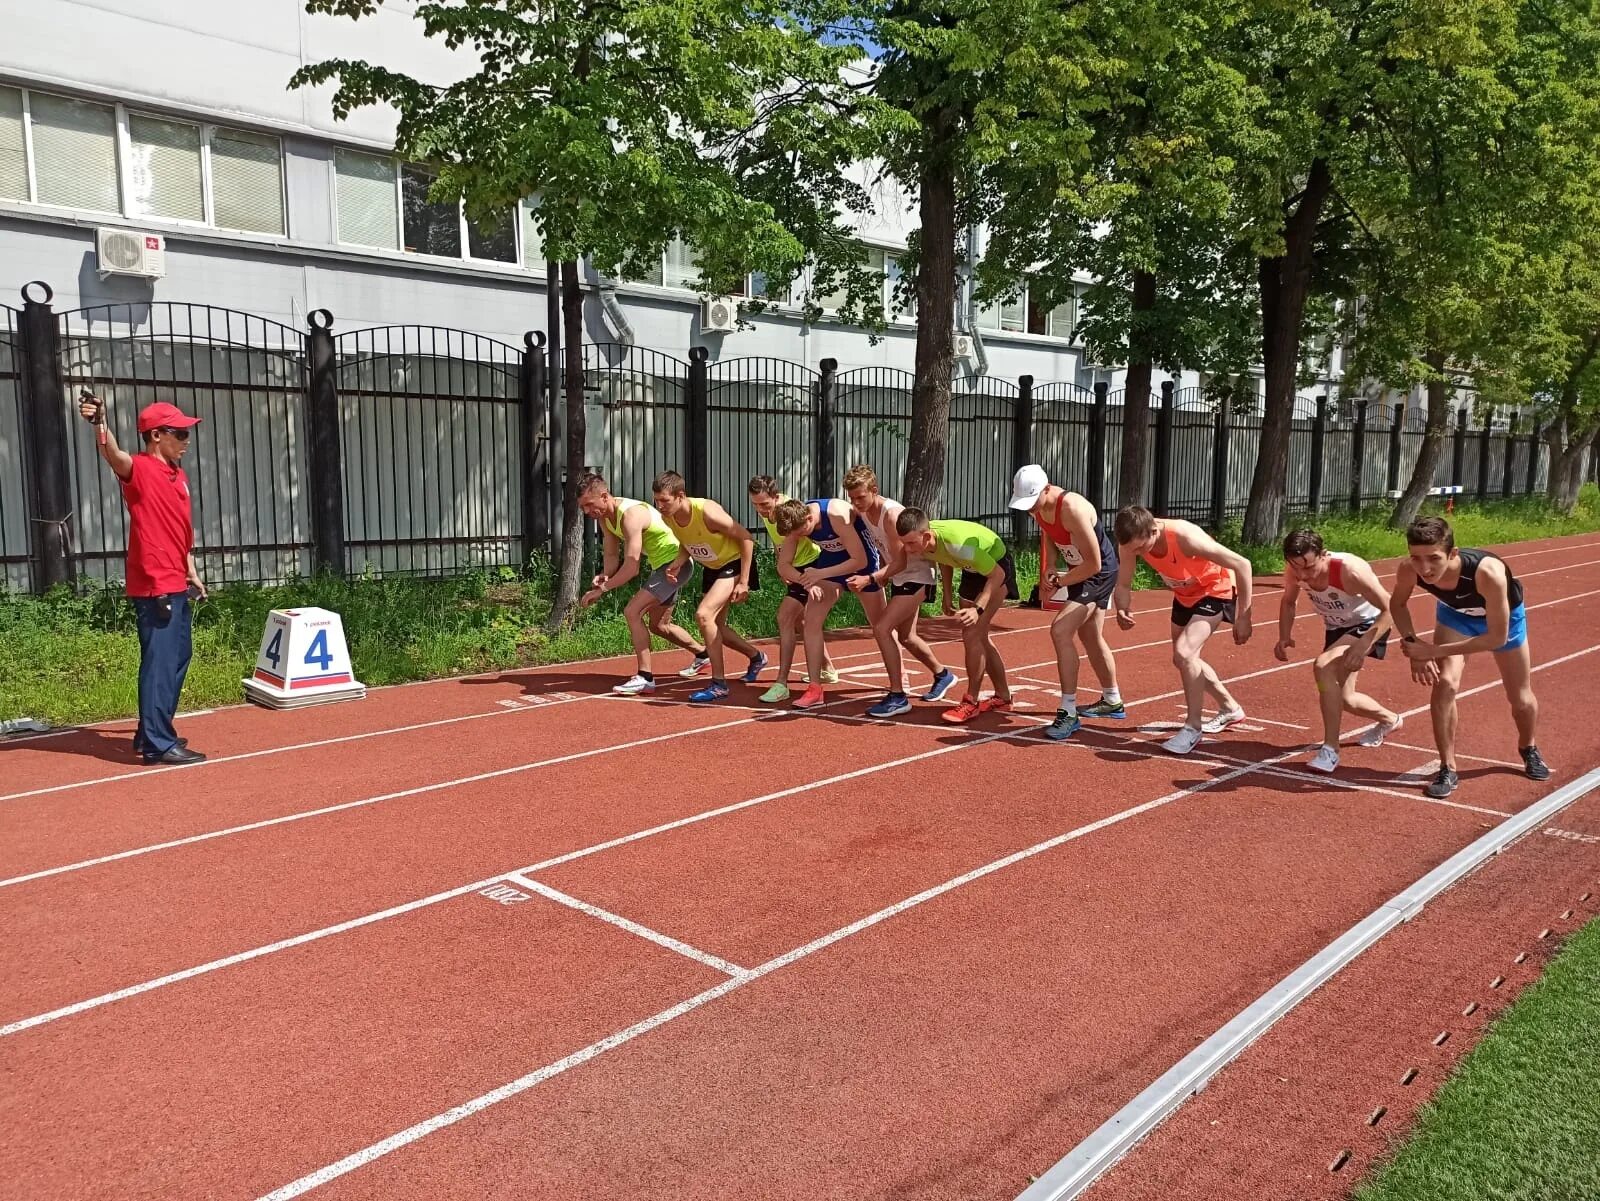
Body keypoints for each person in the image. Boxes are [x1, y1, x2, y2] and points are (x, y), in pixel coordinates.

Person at [77, 392, 207, 765]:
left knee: (179, 656)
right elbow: (113, 455)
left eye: (186, 433)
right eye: (179, 433)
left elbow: (181, 530)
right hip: (154, 583)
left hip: (176, 579)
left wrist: (191, 571)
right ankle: (157, 744)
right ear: (156, 435)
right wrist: (100, 422)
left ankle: (150, 730)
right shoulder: (139, 470)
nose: (185, 440)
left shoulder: (177, 476)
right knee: (160, 661)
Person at [1391, 516, 1549, 799]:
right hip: (1455, 618)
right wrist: (1413, 645)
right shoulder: (1409, 569)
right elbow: (1397, 603)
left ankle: (1528, 747)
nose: (1424, 568)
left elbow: (1495, 639)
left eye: (1433, 558)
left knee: (1521, 700)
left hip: (1503, 623)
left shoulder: (1487, 573)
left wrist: (1433, 651)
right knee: (1445, 684)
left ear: (1453, 553)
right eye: (1416, 558)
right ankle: (1448, 766)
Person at [1113, 506, 1254, 755]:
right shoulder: (1129, 543)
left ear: (1154, 530)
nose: (1137, 553)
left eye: (1140, 548)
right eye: (1132, 549)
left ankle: (1193, 727)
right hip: (1185, 595)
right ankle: (1229, 708)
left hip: (1215, 590)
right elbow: (1123, 583)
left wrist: (1244, 616)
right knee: (1185, 659)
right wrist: (1122, 608)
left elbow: (1242, 564)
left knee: (1185, 653)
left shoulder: (1185, 537)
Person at [1007, 464, 1124, 740]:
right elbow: (1050, 535)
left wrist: (1061, 581)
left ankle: (1068, 711)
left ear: (1047, 489)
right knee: (1091, 636)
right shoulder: (1039, 507)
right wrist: (1050, 565)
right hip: (1079, 572)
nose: (1031, 510)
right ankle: (1112, 700)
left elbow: (1095, 564)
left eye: (1033, 502)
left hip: (1098, 572)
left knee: (1060, 630)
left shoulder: (1072, 508)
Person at [1274, 528, 1402, 773]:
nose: (1303, 575)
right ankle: (1390, 719)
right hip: (1337, 628)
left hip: (1369, 625)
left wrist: (1364, 644)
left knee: (1323, 666)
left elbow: (1391, 608)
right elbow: (1289, 601)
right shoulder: (1295, 569)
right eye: (1296, 567)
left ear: (1323, 555)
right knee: (1345, 699)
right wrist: (1284, 636)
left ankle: (1330, 750)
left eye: (1309, 568)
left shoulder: (1349, 570)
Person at [841, 464, 958, 717]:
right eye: (852, 498)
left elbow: (902, 560)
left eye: (861, 496)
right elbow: (888, 554)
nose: (856, 502)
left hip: (918, 575)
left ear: (875, 490)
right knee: (906, 637)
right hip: (900, 578)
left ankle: (897, 696)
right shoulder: (862, 512)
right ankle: (943, 674)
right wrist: (883, 575)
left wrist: (871, 578)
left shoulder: (892, 515)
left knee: (882, 628)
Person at [576, 471, 707, 696]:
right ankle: (703, 654)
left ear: (605, 496)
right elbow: (610, 555)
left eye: (589, 505)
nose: (588, 512)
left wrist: (602, 591)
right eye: (583, 508)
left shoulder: (631, 515)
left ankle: (645, 678)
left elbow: (631, 567)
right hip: (662, 567)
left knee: (632, 611)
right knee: (659, 626)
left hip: (675, 564)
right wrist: (604, 576)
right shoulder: (605, 518)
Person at [651, 470, 767, 703]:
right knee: (718, 629)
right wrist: (677, 563)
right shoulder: (669, 517)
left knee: (704, 616)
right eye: (656, 500)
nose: (660, 505)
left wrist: (744, 581)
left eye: (664, 500)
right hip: (712, 567)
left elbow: (746, 537)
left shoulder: (707, 512)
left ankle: (719, 684)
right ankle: (757, 657)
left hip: (734, 563)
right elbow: (688, 541)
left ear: (680, 495)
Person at [895, 509, 1018, 724]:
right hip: (971, 570)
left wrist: (978, 608)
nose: (907, 549)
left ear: (927, 536)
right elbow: (944, 559)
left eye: (911, 543)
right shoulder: (926, 544)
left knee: (972, 634)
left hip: (996, 565)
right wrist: (947, 595)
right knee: (979, 637)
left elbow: (996, 574)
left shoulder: (960, 545)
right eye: (904, 543)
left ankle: (971, 701)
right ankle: (1003, 697)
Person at [772, 495, 881, 710]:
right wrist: (806, 580)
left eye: (803, 532)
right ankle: (815, 689)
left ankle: (899, 682)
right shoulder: (795, 522)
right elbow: (783, 565)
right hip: (830, 564)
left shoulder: (835, 514)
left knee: (881, 626)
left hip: (863, 564)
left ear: (808, 518)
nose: (801, 537)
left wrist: (820, 573)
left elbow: (860, 560)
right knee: (811, 621)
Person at [746, 477, 839, 704]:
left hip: (814, 565)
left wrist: (803, 577)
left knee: (785, 617)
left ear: (777, 498)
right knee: (802, 622)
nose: (760, 510)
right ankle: (827, 668)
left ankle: (781, 683)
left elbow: (793, 538)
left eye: (765, 505)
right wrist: (783, 568)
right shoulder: (769, 513)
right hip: (797, 568)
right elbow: (782, 545)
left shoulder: (787, 512)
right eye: (755, 504)